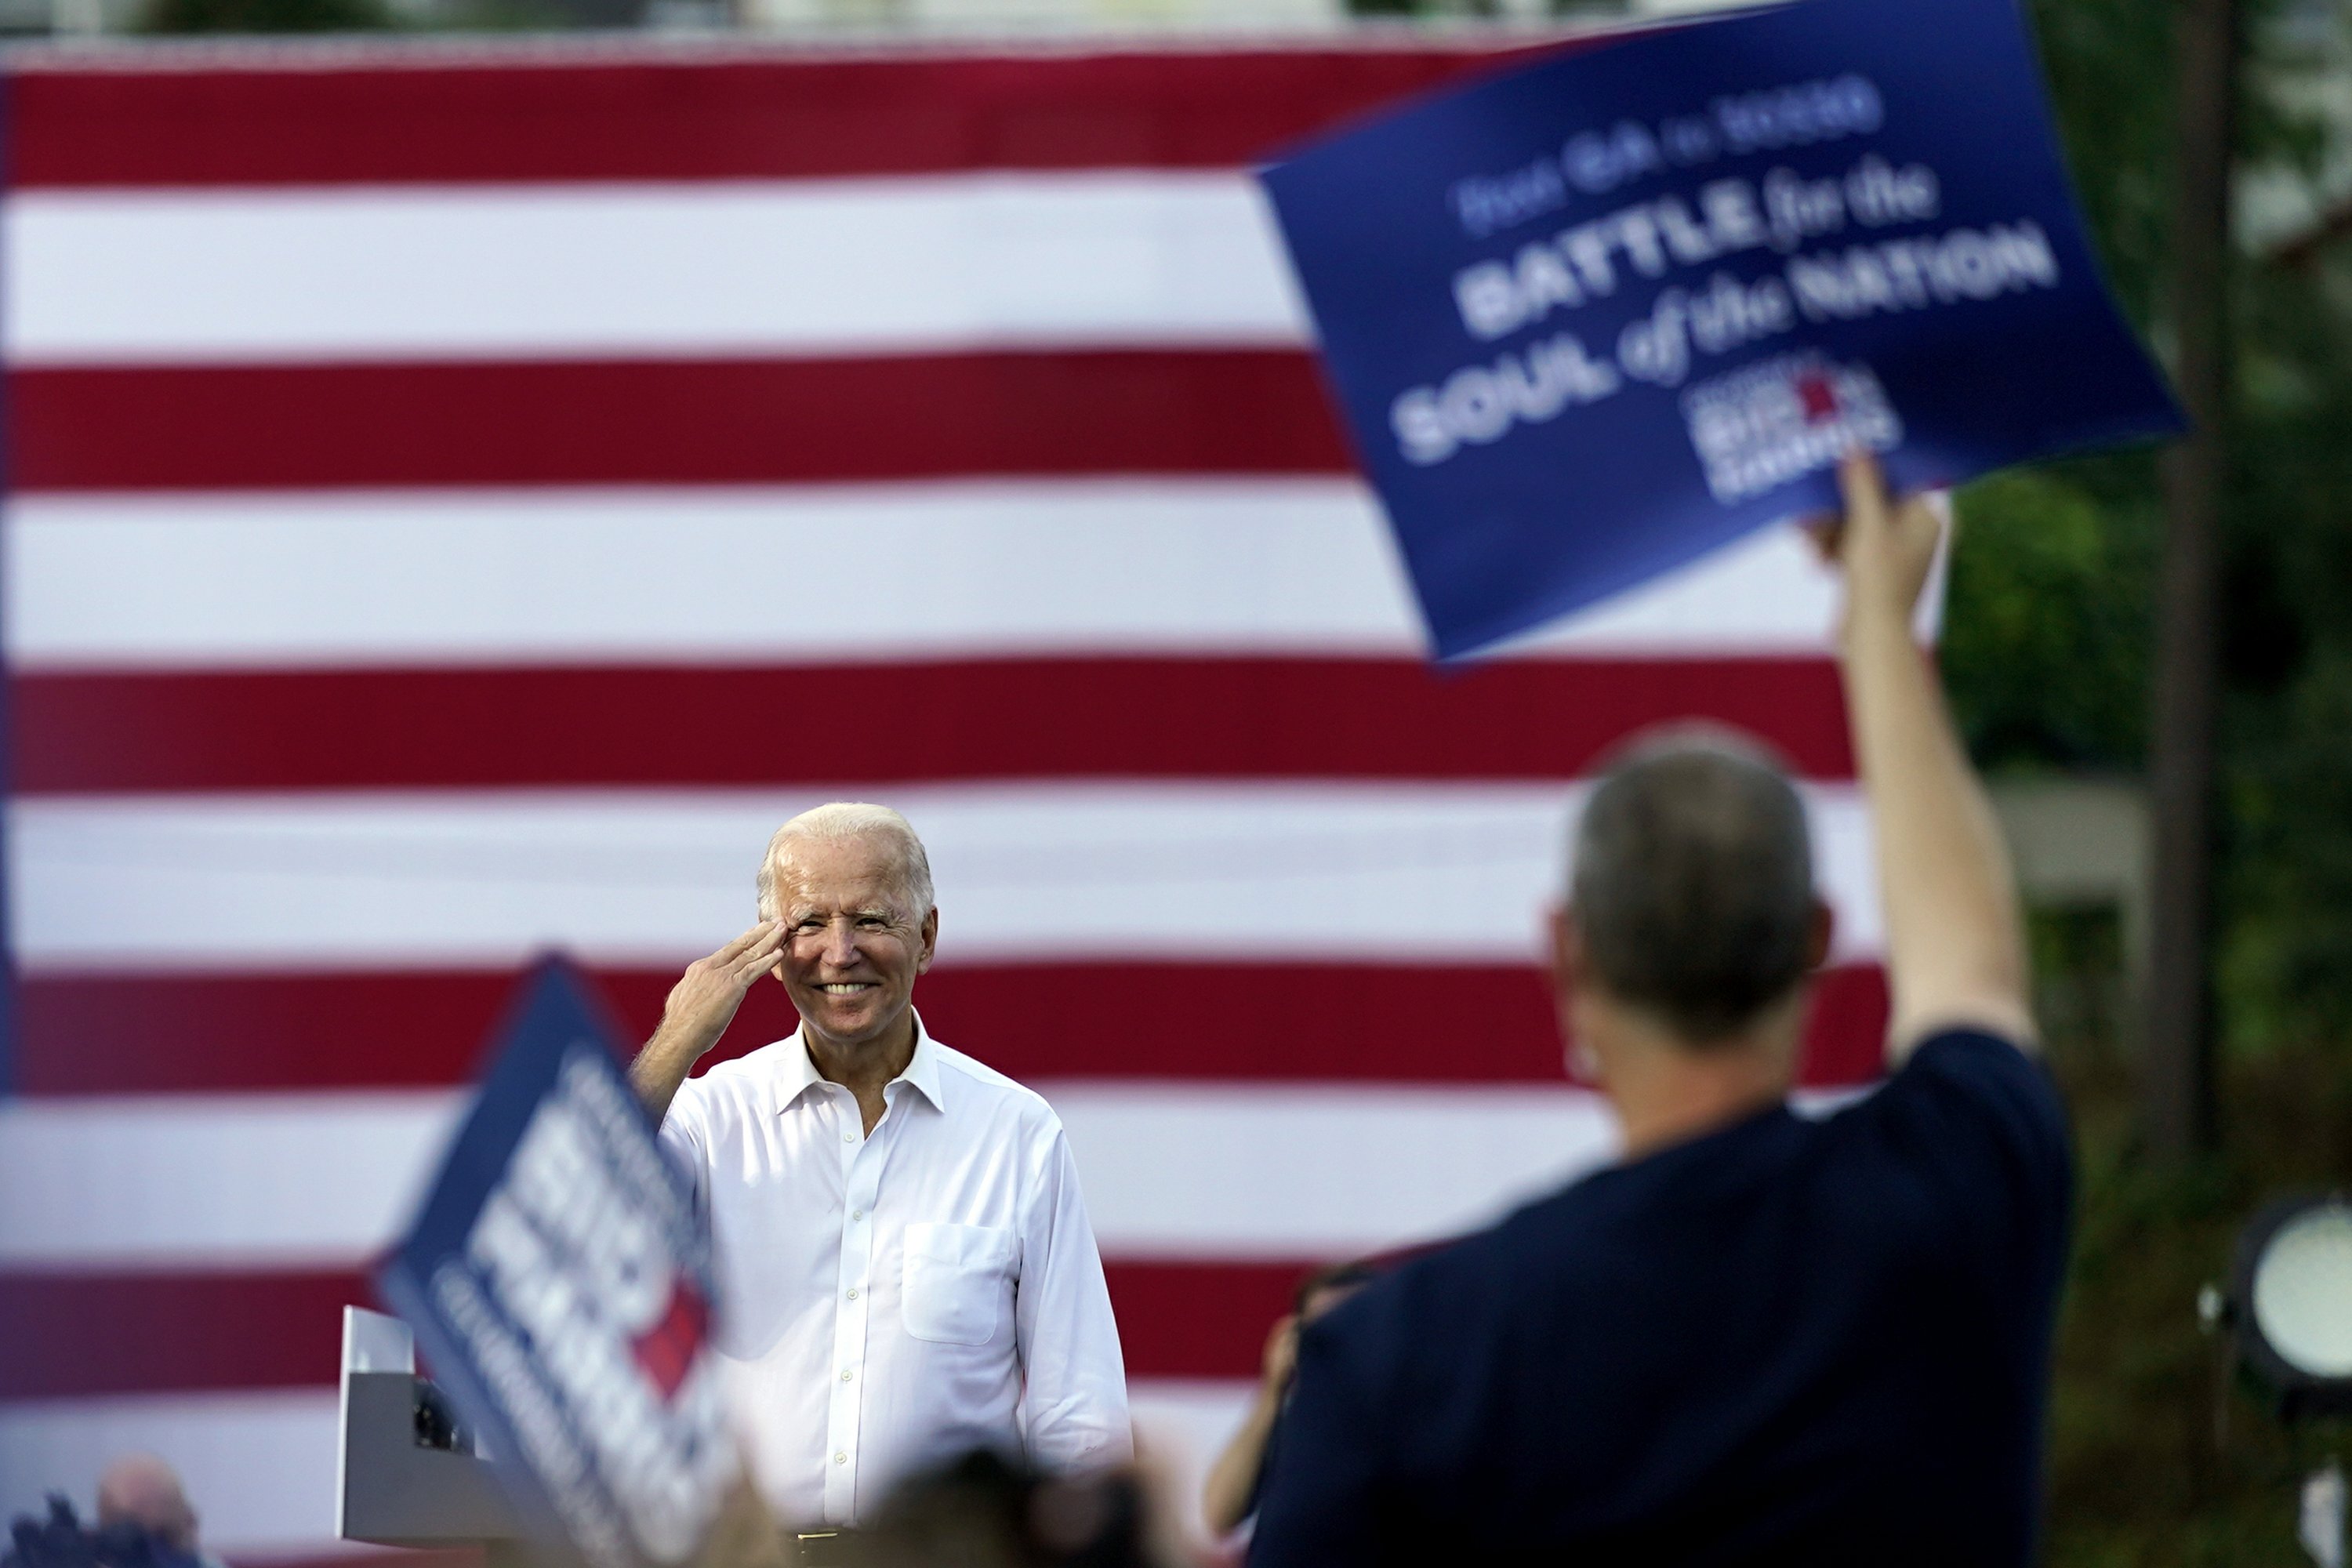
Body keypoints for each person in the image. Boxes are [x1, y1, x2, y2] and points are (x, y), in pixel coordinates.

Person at [1248, 456, 2070, 1566]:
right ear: (1817, 943)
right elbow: (1969, 973)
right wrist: (1874, 623)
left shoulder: (1407, 1364)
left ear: (1565, 956)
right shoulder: (1959, 1200)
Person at [631, 803, 1132, 1538]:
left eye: (870, 920)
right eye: (808, 925)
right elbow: (580, 1215)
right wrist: (679, 1037)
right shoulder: (709, 1120)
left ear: (926, 937)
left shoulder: (1016, 1133)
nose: (839, 952)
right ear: (769, 949)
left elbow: (1079, 1414)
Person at [1198, 1261, 1374, 1538]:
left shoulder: (1420, 1420)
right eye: (1321, 1333)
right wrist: (1273, 1390)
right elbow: (1220, 1515)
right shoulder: (1294, 1421)